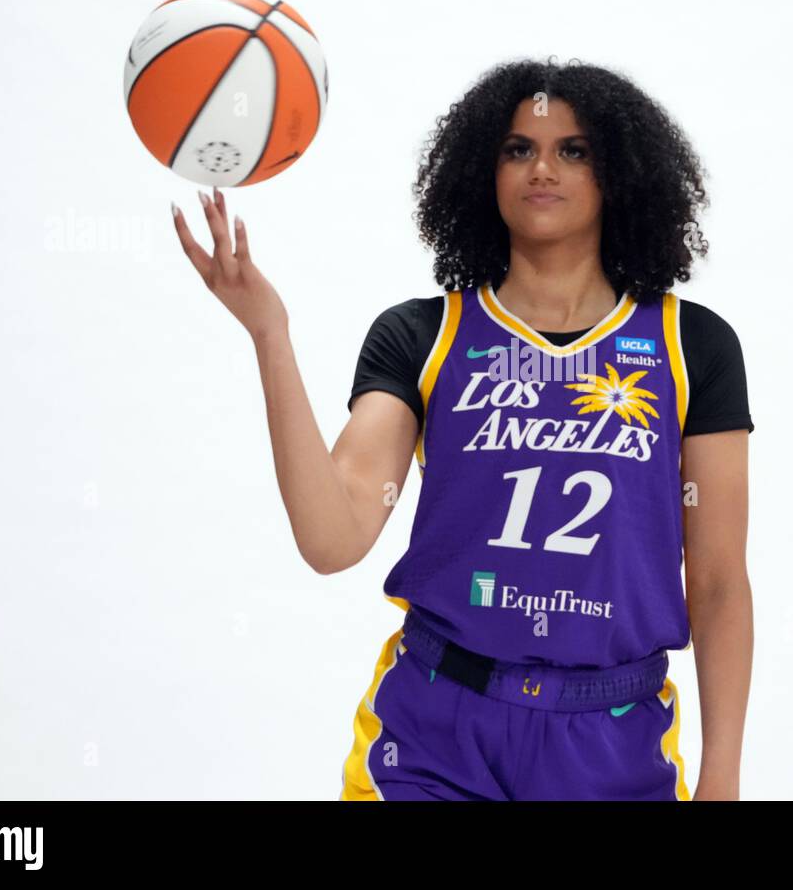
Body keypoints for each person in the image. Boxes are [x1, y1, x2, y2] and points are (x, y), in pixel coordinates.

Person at [170, 57, 753, 801]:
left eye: (573, 150)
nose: (542, 167)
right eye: (518, 149)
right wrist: (269, 334)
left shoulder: (689, 346)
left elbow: (718, 582)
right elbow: (331, 537)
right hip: (435, 731)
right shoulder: (426, 335)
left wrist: (723, 777)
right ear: (484, 170)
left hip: (613, 739)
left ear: (620, 172)